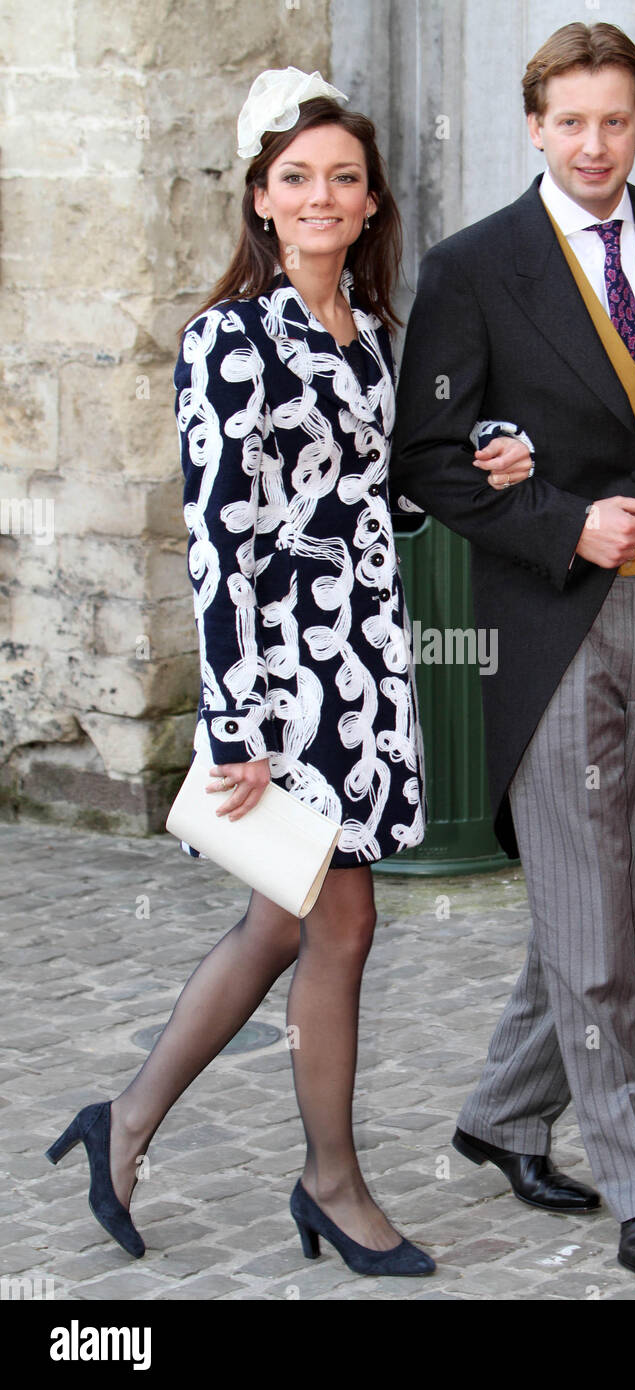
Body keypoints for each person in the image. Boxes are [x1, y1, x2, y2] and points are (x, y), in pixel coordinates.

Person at [44, 68, 532, 1279]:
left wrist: (487, 454)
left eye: (344, 180)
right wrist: (233, 716)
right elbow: (217, 536)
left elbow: (390, 487)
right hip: (281, 681)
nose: (322, 197)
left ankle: (127, 1124)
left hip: (367, 666)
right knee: (342, 919)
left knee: (282, 920)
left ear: (371, 207)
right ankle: (332, 1181)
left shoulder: (375, 340)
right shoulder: (228, 340)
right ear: (262, 201)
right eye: (297, 179)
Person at [390, 22, 635, 1278]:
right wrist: (563, 521)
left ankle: (498, 1113)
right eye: (571, 121)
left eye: (616, 120)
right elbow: (428, 462)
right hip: (542, 627)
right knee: (595, 929)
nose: (594, 144)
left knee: (611, 907)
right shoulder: (474, 266)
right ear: (532, 125)